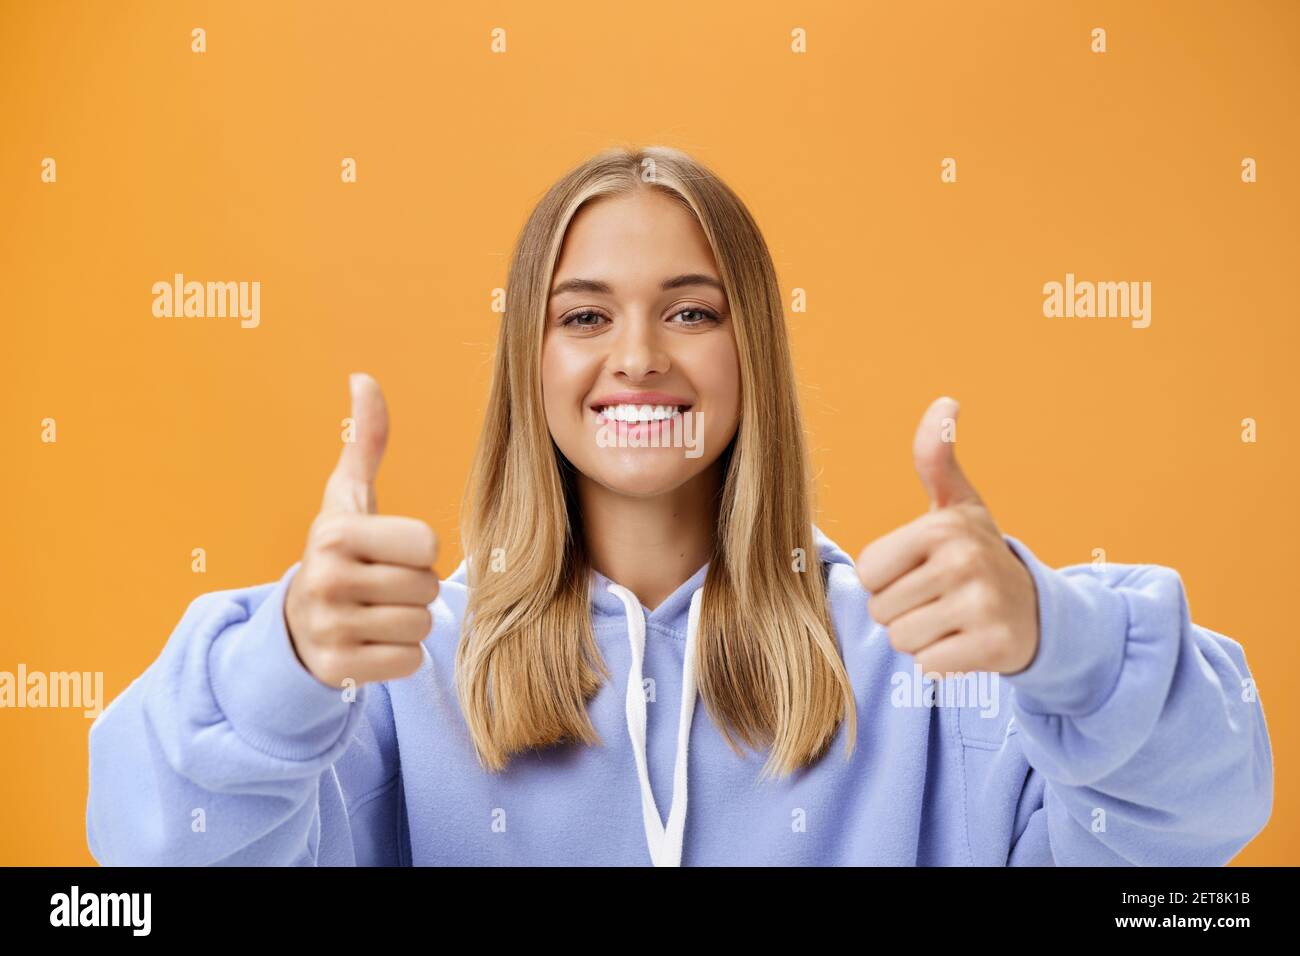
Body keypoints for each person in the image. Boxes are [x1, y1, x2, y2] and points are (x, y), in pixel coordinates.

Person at [86, 146, 1273, 866]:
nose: (639, 355)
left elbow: (1196, 833)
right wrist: (283, 665)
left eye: (693, 310)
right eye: (585, 315)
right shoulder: (397, 679)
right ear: (529, 363)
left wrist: (1058, 643)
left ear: (751, 347)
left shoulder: (928, 664)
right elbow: (142, 868)